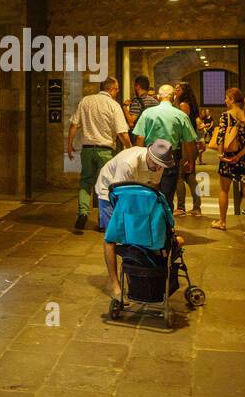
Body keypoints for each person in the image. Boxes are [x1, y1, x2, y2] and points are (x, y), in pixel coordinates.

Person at [96, 138, 176, 302]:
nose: (159, 168)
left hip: (136, 192)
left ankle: (134, 276)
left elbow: (153, 191)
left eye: (163, 165)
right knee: (111, 237)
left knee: (137, 231)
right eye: (157, 163)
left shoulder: (159, 165)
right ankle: (114, 284)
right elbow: (119, 196)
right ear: (149, 155)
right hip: (110, 191)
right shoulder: (129, 163)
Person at [66, 77, 131, 232]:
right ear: (112, 89)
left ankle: (83, 213)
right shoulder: (113, 105)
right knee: (106, 185)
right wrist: (130, 148)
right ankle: (104, 222)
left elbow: (74, 125)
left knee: (86, 182)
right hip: (105, 151)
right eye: (117, 89)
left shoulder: (85, 101)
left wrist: (69, 145)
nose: (117, 92)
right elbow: (122, 132)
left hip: (87, 150)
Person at [133, 84, 197, 210]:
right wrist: (190, 160)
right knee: (167, 195)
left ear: (157, 97)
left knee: (150, 192)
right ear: (173, 97)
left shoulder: (147, 113)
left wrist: (138, 158)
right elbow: (189, 141)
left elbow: (140, 137)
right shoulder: (180, 115)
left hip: (149, 156)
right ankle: (166, 225)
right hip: (171, 156)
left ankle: (151, 223)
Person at [210, 87, 245, 237]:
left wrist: (220, 154)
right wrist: (239, 156)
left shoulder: (226, 116)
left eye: (226, 98)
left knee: (223, 190)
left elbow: (220, 137)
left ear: (232, 99)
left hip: (228, 159)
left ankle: (222, 221)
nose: (225, 100)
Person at [172, 81, 203, 216]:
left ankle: (181, 207)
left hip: (185, 144)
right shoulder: (185, 104)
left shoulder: (183, 105)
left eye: (178, 90)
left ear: (184, 92)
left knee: (179, 176)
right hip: (189, 143)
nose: (175, 92)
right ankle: (197, 206)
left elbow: (183, 126)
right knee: (190, 177)